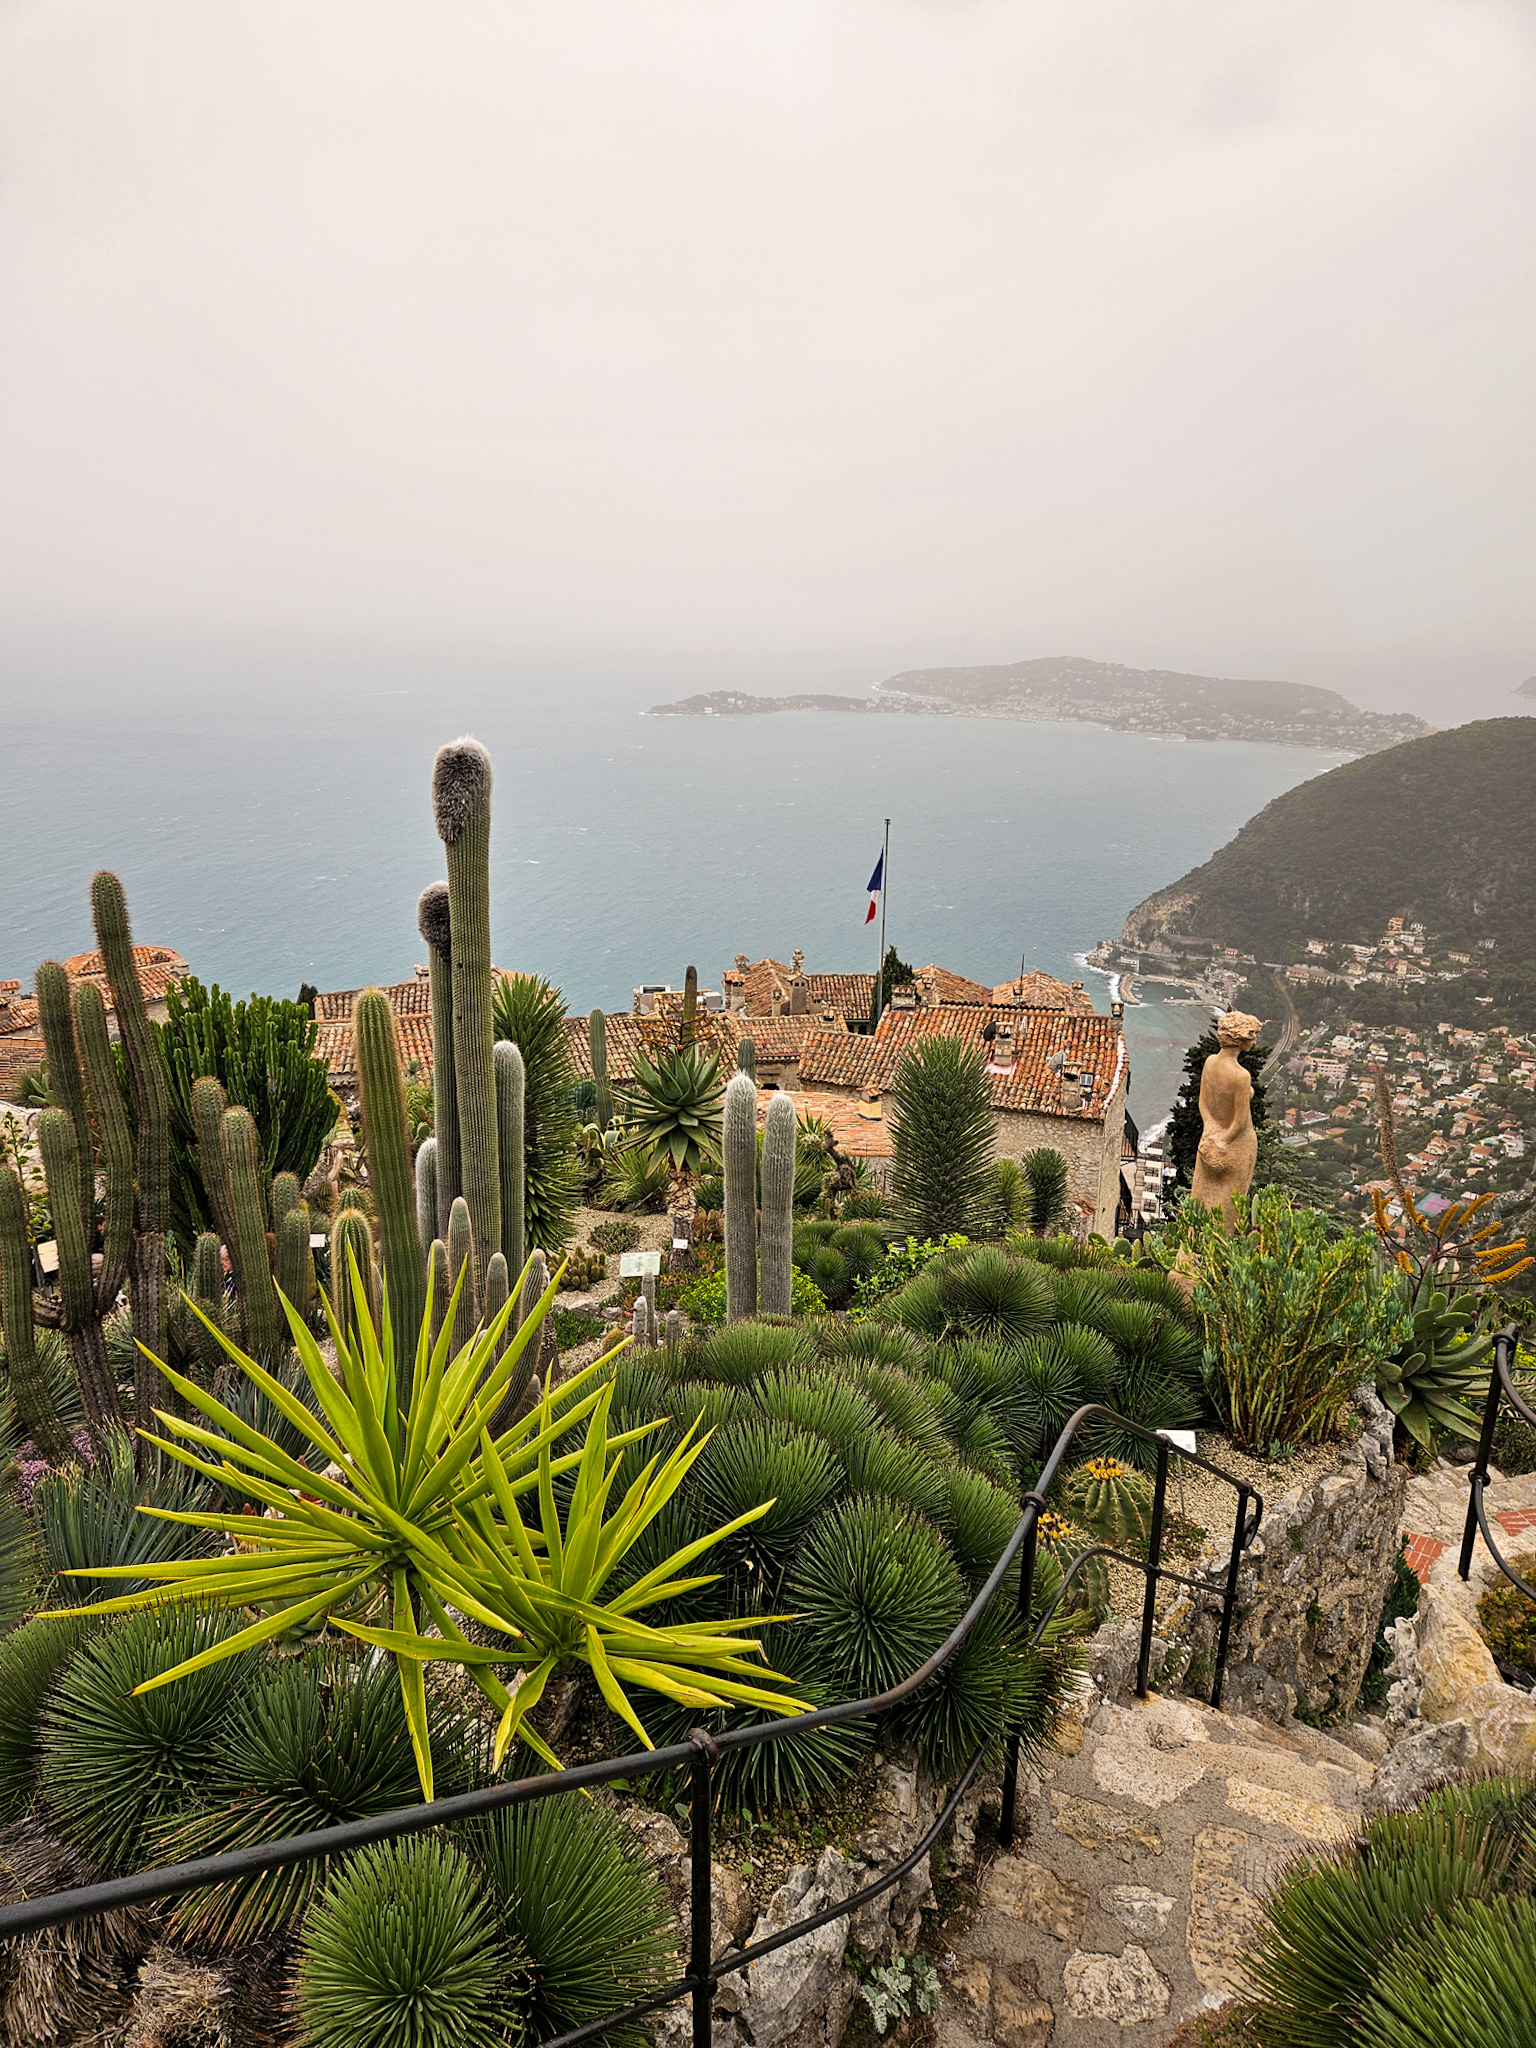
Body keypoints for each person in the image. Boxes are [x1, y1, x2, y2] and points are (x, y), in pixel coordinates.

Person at [1189, 1010, 1262, 1229]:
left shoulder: (1210, 1062)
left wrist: (1212, 1133)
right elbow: (1239, 1121)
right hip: (1237, 1145)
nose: (1255, 1040)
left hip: (1209, 1138)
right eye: (1252, 1035)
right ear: (1241, 1038)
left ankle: (1187, 1259)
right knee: (1228, 1212)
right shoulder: (1241, 1076)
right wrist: (1225, 1141)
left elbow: (1203, 1103)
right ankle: (1213, 1259)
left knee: (1199, 1204)